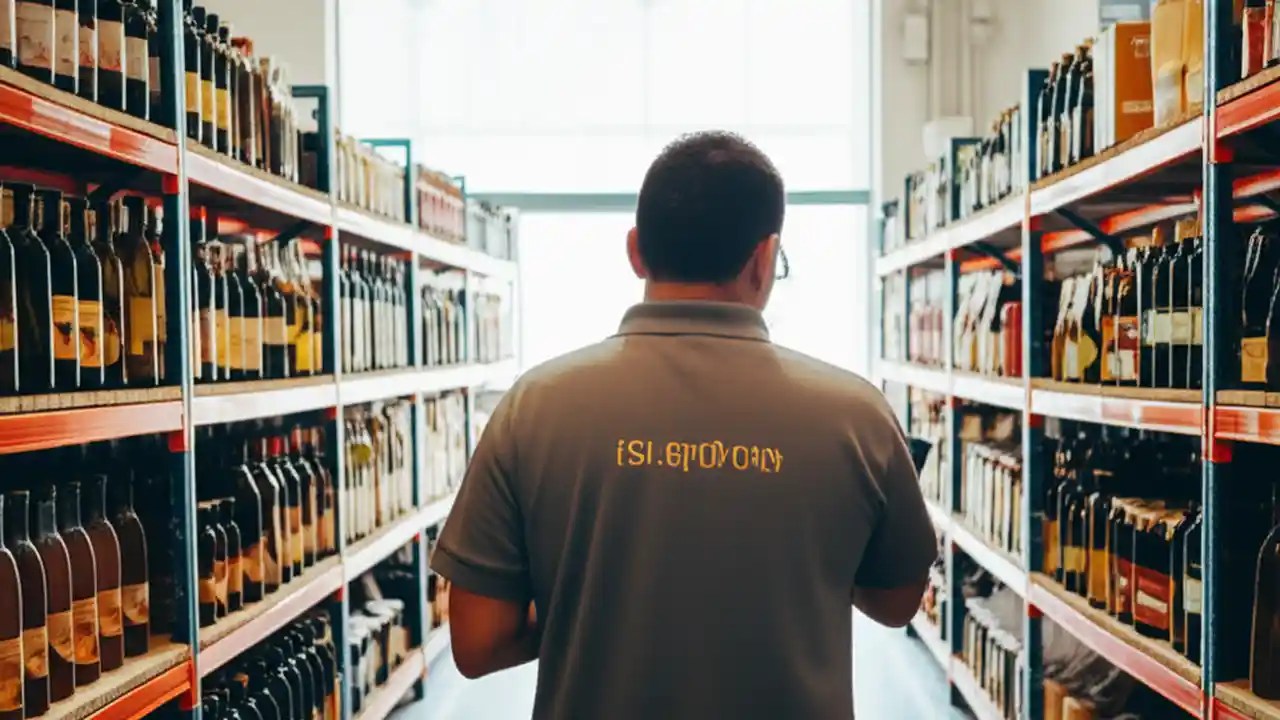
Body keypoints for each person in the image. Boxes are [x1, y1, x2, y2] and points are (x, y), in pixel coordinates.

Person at [430, 130, 938, 719]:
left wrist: (588, 604)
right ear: (765, 258)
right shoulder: (856, 416)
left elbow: (478, 639)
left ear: (636, 251)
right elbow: (898, 602)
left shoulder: (533, 406)